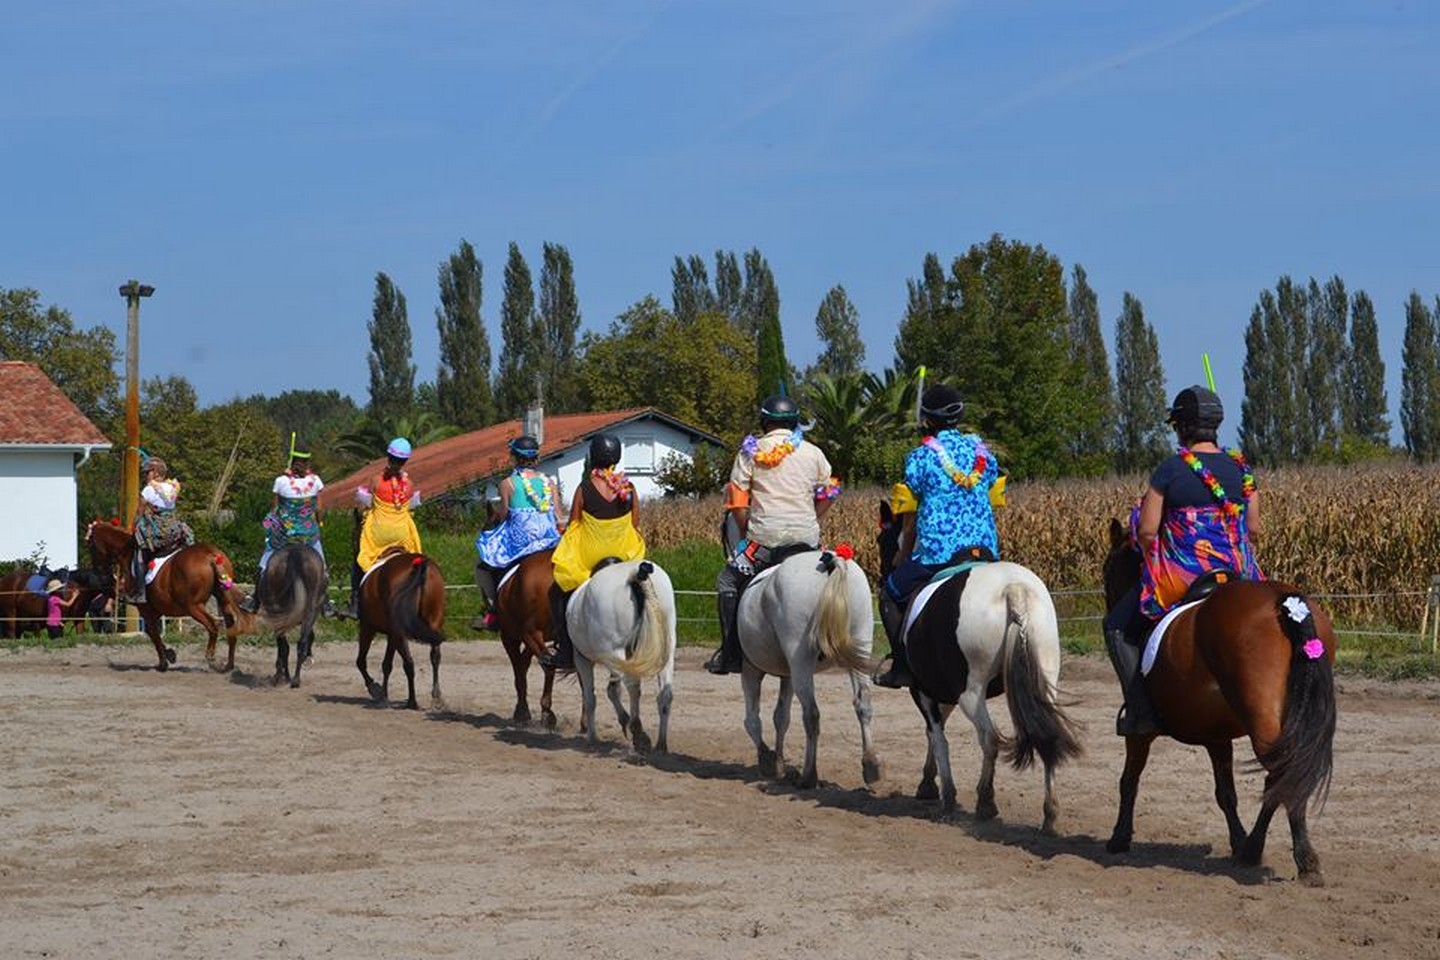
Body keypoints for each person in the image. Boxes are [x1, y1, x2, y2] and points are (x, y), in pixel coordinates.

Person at [1102, 385, 1263, 736]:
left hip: (1182, 574)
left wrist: (1152, 553)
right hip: (1238, 572)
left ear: (1183, 428)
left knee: (1115, 626)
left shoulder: (1172, 469)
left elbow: (1146, 532)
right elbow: (1253, 528)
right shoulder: (1241, 469)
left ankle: (1140, 711)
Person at [873, 385, 1002, 689]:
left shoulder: (920, 457)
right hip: (984, 550)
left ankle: (902, 667)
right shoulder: (982, 452)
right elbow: (991, 485)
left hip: (939, 552)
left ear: (928, 420)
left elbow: (910, 518)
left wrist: (901, 554)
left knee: (890, 594)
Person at [706, 395, 840, 675]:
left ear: (764, 422)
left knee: (728, 581)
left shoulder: (749, 452)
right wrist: (813, 517)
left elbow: (738, 503)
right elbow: (831, 491)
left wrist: (745, 535)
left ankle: (730, 654)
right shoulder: (813, 452)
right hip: (807, 541)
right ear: (794, 424)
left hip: (763, 542)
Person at [543, 434, 645, 670]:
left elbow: (574, 523)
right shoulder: (629, 488)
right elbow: (635, 525)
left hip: (591, 557)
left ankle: (566, 650)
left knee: (558, 591)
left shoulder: (585, 487)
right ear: (616, 458)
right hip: (624, 554)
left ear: (594, 456)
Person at [474, 436, 563, 629]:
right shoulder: (549, 482)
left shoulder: (507, 484)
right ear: (536, 459)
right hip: (550, 539)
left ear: (514, 457)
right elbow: (558, 514)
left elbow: (505, 514)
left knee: (484, 564)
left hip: (521, 540)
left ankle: (493, 611)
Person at [240, 438, 328, 615]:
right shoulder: (316, 481)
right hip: (308, 536)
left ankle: (255, 599)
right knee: (323, 569)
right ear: (306, 463)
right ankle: (326, 603)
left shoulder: (280, 481)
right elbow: (319, 509)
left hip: (283, 536)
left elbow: (274, 511)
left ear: (293, 461)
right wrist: (319, 522)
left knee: (263, 566)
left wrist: (268, 529)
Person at [344, 438, 424, 617]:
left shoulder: (375, 480)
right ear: (405, 462)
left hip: (380, 533)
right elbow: (409, 506)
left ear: (388, 457)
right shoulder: (409, 485)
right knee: (416, 560)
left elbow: (364, 506)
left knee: (359, 559)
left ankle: (355, 602)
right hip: (402, 534)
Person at [129, 456, 195, 603]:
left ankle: (141, 592)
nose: (145, 476)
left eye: (147, 473)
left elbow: (140, 512)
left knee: (139, 554)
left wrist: (133, 527)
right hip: (174, 529)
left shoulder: (148, 489)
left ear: (155, 472)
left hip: (157, 531)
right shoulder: (172, 487)